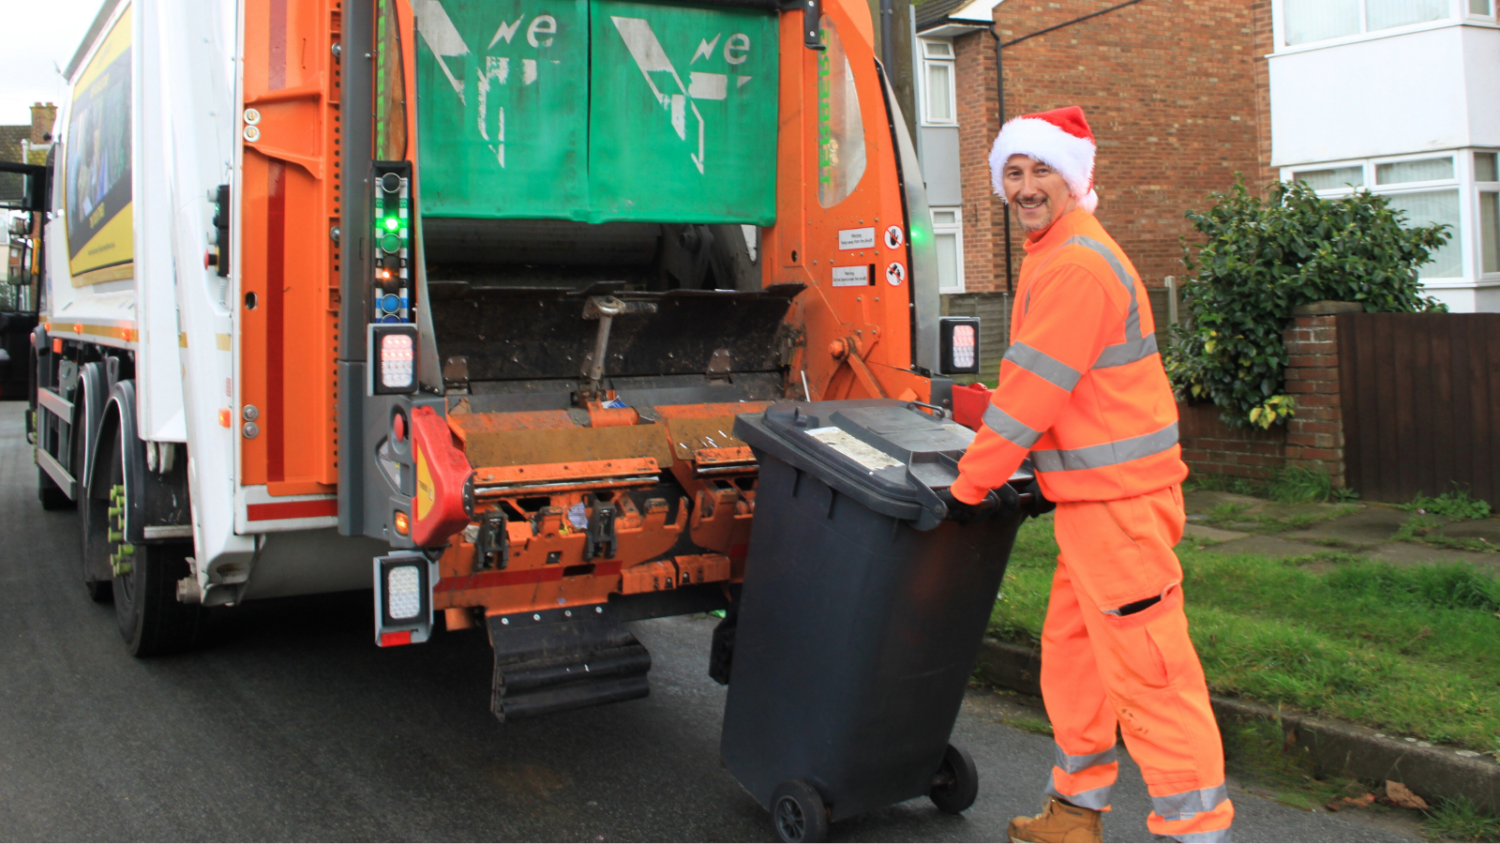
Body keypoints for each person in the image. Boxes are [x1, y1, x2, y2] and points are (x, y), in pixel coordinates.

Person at [943, 106, 1233, 843]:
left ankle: (1196, 832)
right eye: (1014, 172)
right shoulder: (1056, 251)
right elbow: (1060, 389)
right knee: (1077, 662)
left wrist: (970, 486)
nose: (1026, 186)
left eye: (1042, 170)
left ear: (1073, 179)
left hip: (1119, 510)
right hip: (1095, 504)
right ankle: (1075, 812)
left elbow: (1031, 393)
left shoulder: (1075, 263)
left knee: (1150, 673)